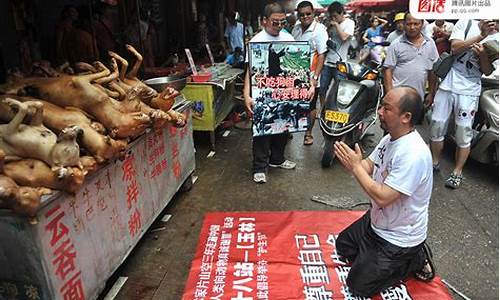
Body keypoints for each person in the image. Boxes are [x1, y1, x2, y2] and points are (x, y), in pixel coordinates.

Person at [333, 86, 434, 297]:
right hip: (378, 221)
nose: (380, 112)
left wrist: (355, 167)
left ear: (406, 117)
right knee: (343, 247)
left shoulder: (413, 153)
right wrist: (356, 162)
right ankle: (375, 258)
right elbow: (369, 165)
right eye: (381, 106)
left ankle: (414, 259)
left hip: (399, 237)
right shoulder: (390, 138)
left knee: (358, 286)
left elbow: (383, 197)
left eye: (386, 108)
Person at [429, 19, 499, 189]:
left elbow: (488, 70)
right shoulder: (466, 23)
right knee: (437, 125)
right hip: (448, 84)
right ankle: (434, 163)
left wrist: (482, 55)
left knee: (463, 131)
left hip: (470, 90)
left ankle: (457, 172)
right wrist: (480, 35)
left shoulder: (498, 35)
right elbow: (455, 48)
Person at [243, 3, 297, 184]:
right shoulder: (256, 41)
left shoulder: (289, 39)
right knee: (262, 130)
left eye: (283, 22)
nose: (279, 26)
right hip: (262, 91)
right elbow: (250, 71)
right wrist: (246, 94)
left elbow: (297, 68)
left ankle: (277, 159)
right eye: (275, 23)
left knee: (282, 126)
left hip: (283, 91)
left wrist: (307, 86)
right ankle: (259, 167)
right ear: (264, 21)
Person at [291, 1, 328, 146]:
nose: (305, 17)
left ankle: (308, 133)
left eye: (308, 14)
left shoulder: (319, 30)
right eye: (302, 15)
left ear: (313, 13)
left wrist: (315, 77)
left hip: (311, 77)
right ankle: (288, 128)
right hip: (295, 75)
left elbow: (322, 54)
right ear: (298, 15)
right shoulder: (296, 29)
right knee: (293, 103)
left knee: (310, 106)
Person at [384, 12, 439, 109]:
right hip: (398, 96)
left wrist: (431, 93)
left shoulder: (430, 43)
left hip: (418, 97)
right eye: (409, 24)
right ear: (404, 24)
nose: (412, 27)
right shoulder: (396, 44)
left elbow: (433, 70)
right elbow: (388, 69)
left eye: (416, 24)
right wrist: (389, 93)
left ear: (422, 24)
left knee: (413, 122)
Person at [320, 2, 355, 105]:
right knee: (322, 88)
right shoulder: (332, 24)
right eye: (332, 16)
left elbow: (344, 37)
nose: (333, 18)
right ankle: (322, 110)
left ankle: (337, 111)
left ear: (341, 13)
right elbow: (326, 38)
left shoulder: (349, 23)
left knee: (340, 90)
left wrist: (336, 25)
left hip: (340, 63)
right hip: (328, 62)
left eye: (335, 16)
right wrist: (329, 27)